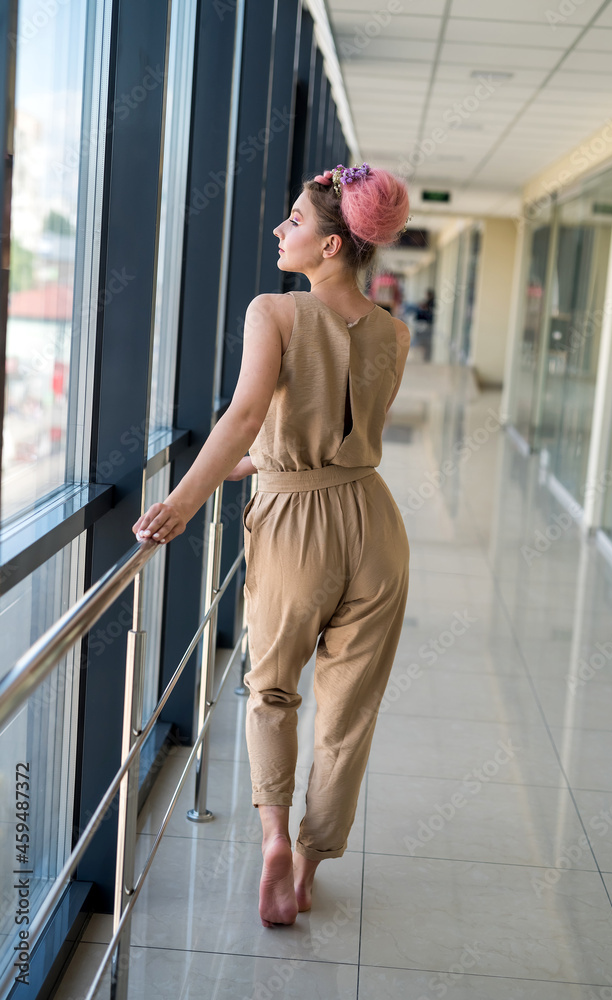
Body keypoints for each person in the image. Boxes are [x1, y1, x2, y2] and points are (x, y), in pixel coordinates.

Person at [132, 162, 412, 928]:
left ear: (330, 246)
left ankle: (273, 843)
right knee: (348, 710)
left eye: (294, 220)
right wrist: (253, 467)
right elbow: (341, 437)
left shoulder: (274, 312)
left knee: (272, 690)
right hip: (376, 525)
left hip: (296, 527)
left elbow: (247, 414)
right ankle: (311, 869)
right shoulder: (395, 330)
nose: (281, 230)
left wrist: (184, 501)